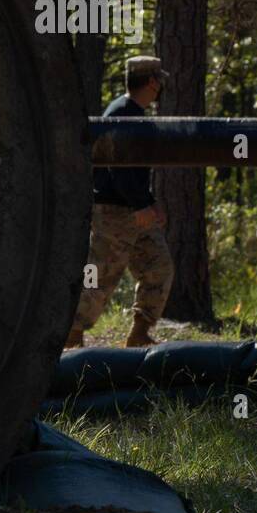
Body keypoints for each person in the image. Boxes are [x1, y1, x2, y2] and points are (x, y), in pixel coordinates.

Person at [65, 56, 175, 349]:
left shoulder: (132, 113)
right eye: (159, 80)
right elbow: (118, 168)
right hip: (115, 212)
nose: (161, 85)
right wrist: (141, 205)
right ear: (152, 82)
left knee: (159, 268)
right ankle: (70, 337)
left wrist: (149, 203)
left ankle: (139, 333)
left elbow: (134, 170)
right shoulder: (123, 113)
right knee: (99, 276)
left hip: (134, 211)